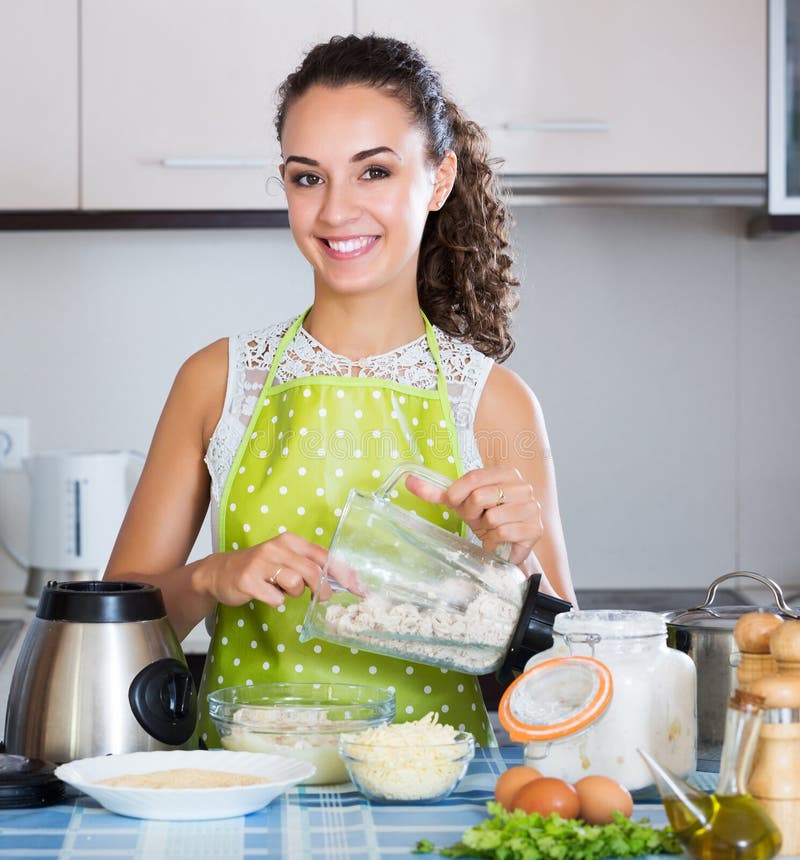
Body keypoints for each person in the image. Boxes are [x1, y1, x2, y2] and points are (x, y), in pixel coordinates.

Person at [104, 33, 575, 747]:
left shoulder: (498, 404)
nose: (334, 212)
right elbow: (115, 629)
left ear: (439, 179)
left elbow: (564, 678)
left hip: (431, 808)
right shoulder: (217, 382)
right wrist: (211, 577)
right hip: (244, 796)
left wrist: (518, 562)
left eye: (374, 172)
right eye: (307, 177)